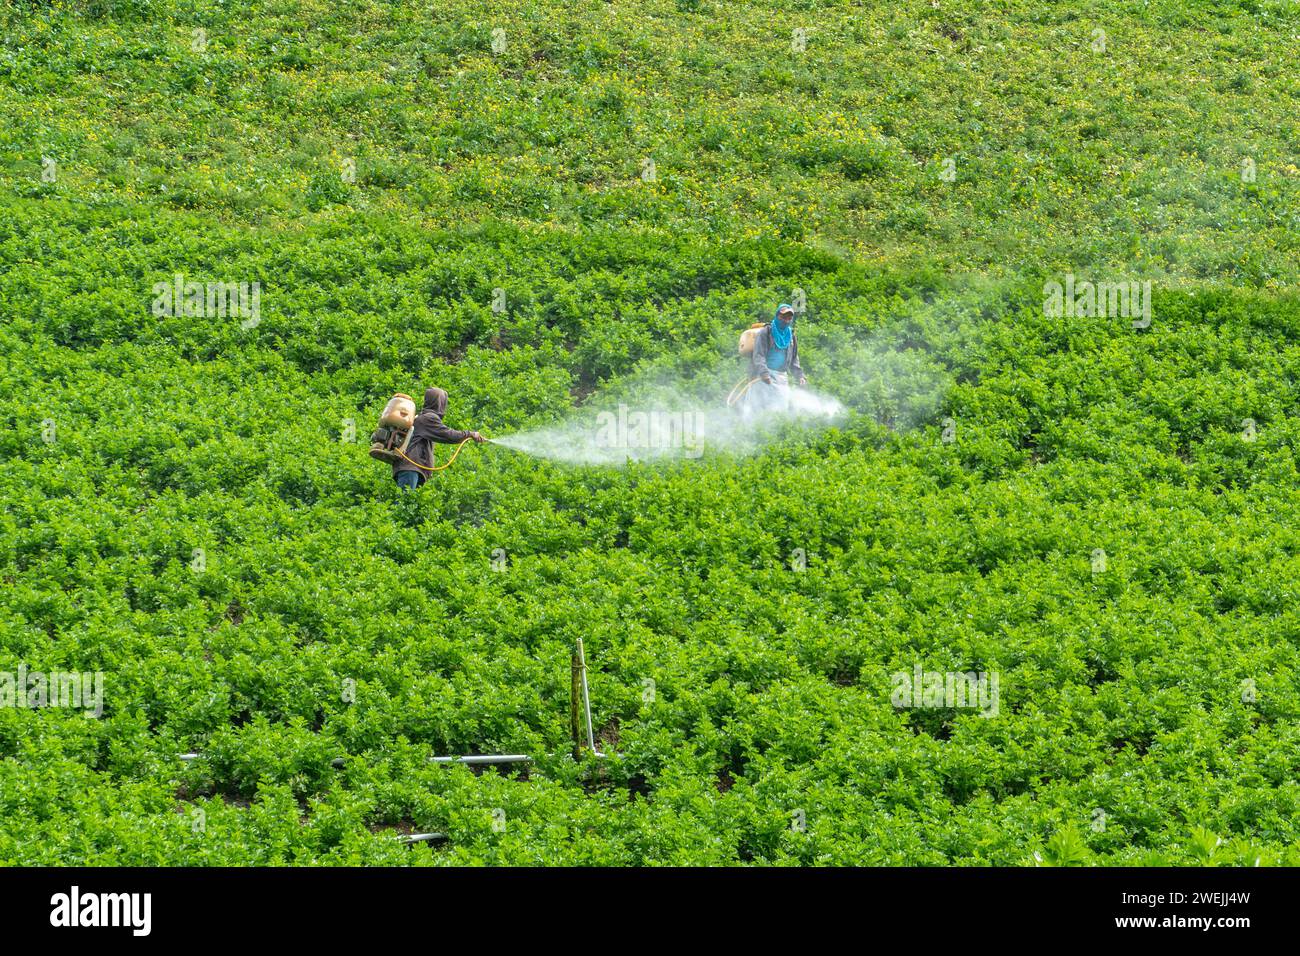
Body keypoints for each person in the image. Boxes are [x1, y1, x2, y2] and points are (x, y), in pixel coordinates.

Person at [393, 387, 485, 491]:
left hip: (411, 468)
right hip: (410, 468)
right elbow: (448, 435)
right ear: (439, 403)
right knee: (404, 502)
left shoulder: (423, 418)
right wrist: (470, 434)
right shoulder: (428, 418)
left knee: (408, 502)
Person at [746, 303, 807, 415]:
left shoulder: (791, 335)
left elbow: (794, 359)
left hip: (781, 376)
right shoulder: (766, 332)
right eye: (783, 317)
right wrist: (764, 374)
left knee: (780, 409)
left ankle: (777, 431)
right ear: (777, 316)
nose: (786, 320)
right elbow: (758, 355)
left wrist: (800, 375)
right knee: (757, 408)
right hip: (762, 375)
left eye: (789, 318)